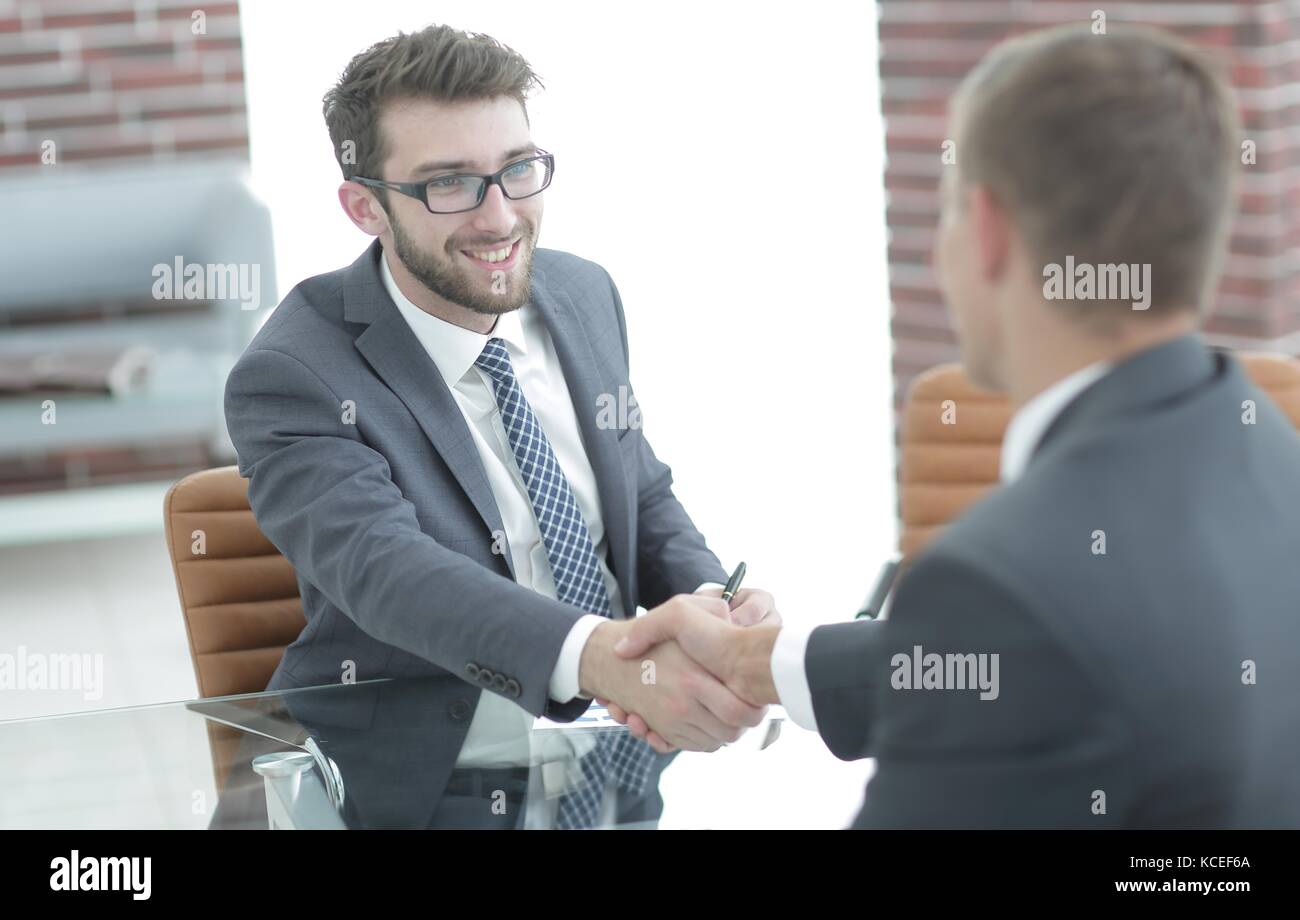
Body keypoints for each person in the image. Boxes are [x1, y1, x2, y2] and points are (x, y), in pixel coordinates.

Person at [611, 22, 1300, 828]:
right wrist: (756, 661)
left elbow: (1031, 639)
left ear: (990, 232)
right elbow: (1067, 660)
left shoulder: (1000, 581)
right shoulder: (1267, 447)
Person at [223, 24, 776, 828]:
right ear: (365, 206)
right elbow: (389, 572)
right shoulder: (297, 374)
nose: (500, 216)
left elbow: (640, 495)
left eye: (518, 170)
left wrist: (707, 605)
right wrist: (600, 661)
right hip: (420, 792)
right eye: (449, 184)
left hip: (616, 771)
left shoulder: (584, 295)